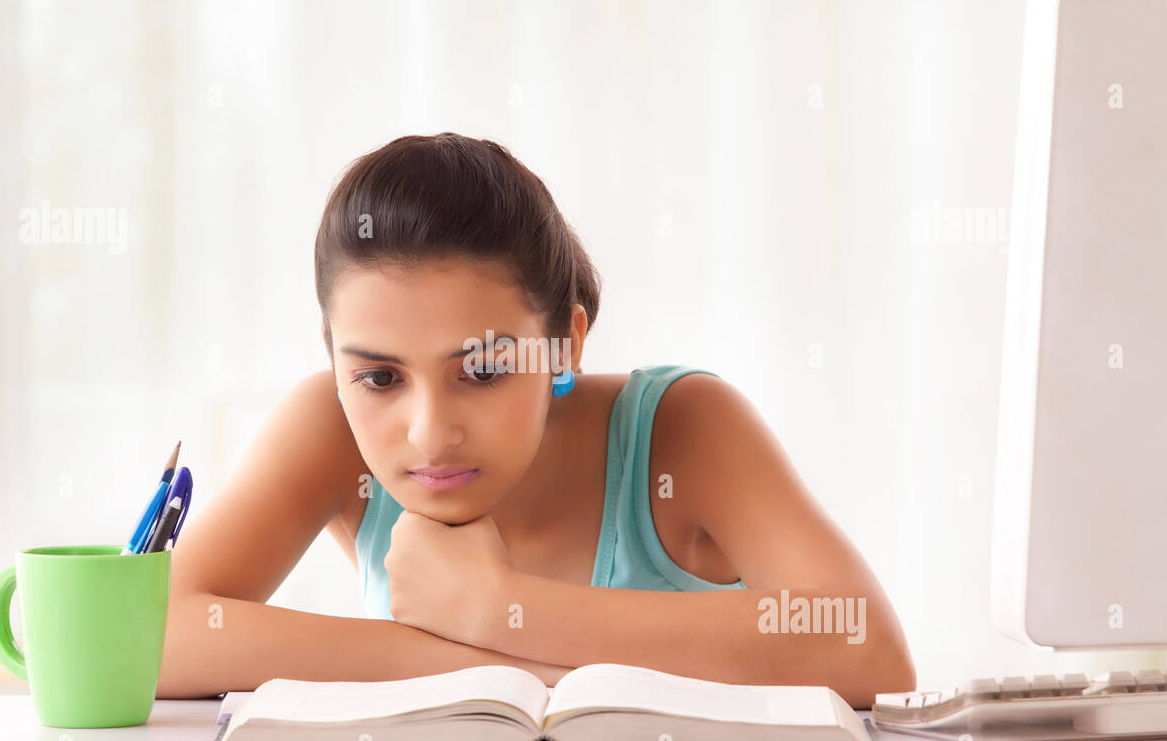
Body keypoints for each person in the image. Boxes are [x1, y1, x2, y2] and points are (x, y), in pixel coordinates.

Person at [158, 132, 916, 707]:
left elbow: (862, 644)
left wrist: (496, 606)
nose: (429, 433)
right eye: (379, 377)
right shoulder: (326, 425)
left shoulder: (685, 428)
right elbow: (152, 635)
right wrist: (494, 666)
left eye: (484, 370)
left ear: (565, 346)